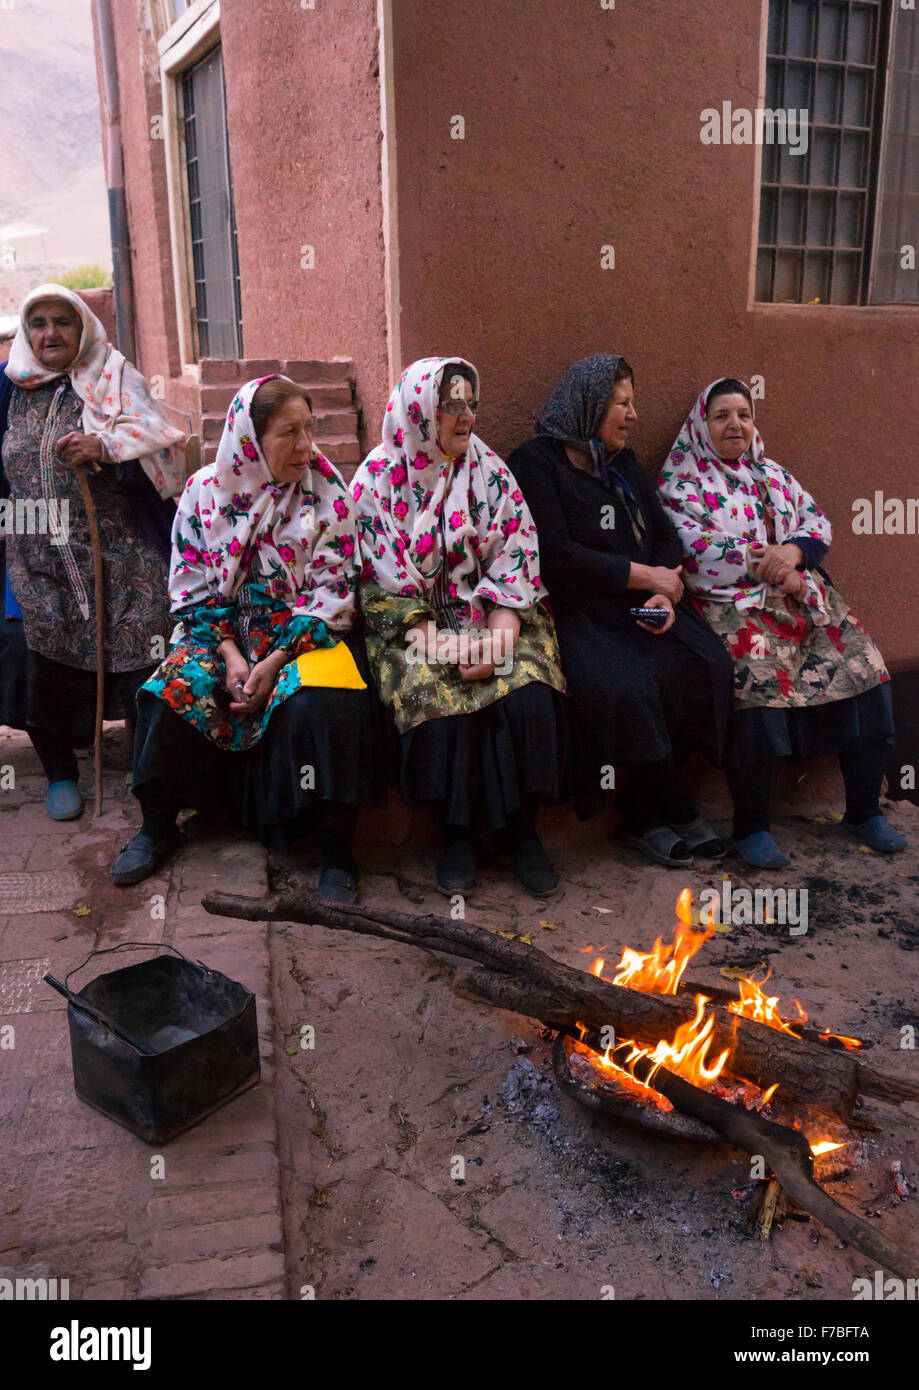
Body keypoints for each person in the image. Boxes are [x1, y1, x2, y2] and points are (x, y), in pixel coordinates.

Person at [111, 375, 385, 903]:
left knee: (326, 702)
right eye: (289, 433)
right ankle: (157, 826)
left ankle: (335, 850)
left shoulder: (328, 495)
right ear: (250, 440)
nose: (306, 445)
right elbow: (190, 590)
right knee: (169, 691)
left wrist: (277, 660)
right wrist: (233, 657)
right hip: (223, 634)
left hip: (303, 633)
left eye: (310, 428)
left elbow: (336, 593)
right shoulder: (202, 495)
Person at [658, 377, 903, 867]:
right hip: (734, 604)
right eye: (722, 415)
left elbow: (817, 524)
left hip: (800, 596)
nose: (735, 425)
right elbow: (695, 548)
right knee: (756, 681)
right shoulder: (681, 483)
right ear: (701, 426)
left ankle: (862, 810)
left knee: (864, 664)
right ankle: (751, 826)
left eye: (744, 415)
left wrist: (791, 556)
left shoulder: (771, 474)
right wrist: (767, 564)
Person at [352, 356, 568, 896]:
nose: (465, 416)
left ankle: (524, 834)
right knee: (440, 702)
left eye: (471, 403)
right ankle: (456, 836)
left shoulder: (488, 469)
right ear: (420, 410)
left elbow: (517, 551)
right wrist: (444, 647)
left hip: (498, 611)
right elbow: (378, 587)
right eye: (451, 405)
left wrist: (498, 639)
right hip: (416, 625)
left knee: (528, 694)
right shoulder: (375, 481)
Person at [507, 353, 733, 867]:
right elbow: (555, 555)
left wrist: (663, 590)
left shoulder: (622, 464)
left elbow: (667, 538)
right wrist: (643, 577)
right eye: (623, 403)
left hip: (647, 605)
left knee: (706, 667)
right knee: (624, 687)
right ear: (589, 404)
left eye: (634, 403)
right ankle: (665, 809)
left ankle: (643, 808)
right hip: (582, 611)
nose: (634, 415)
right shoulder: (536, 463)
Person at [1, 283, 183, 819]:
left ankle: (145, 761)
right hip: (36, 553)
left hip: (120, 547)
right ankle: (60, 770)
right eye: (39, 323)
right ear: (26, 333)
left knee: (148, 637)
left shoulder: (115, 377)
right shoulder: (8, 388)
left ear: (83, 327)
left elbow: (165, 448)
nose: (50, 333)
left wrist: (107, 449)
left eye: (63, 321)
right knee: (24, 644)